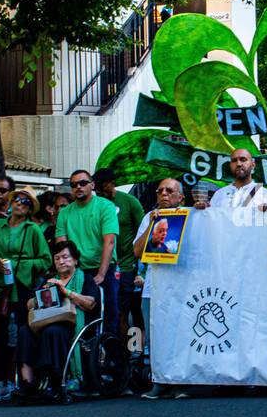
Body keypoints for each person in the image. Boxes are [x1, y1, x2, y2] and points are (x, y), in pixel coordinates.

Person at [0, 186, 51, 402]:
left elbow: (46, 260)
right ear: (11, 203)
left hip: (23, 287)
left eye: (25, 202)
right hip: (0, 286)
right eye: (17, 200)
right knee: (0, 337)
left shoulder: (33, 230)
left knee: (24, 333)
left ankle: (23, 379)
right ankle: (0, 381)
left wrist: (21, 266)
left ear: (30, 208)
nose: (20, 204)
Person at [16, 239, 98, 403]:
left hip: (73, 326)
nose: (61, 261)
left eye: (66, 257)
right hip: (46, 323)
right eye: (57, 258)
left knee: (52, 331)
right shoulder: (49, 281)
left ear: (75, 260)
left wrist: (66, 292)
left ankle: (52, 382)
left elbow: (91, 303)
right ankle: (28, 384)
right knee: (25, 331)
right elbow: (29, 304)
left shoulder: (86, 279)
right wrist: (43, 296)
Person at [135, 178, 189, 400]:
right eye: (160, 191)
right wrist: (151, 225)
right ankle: (158, 382)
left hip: (181, 286)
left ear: (180, 197)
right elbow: (137, 251)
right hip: (153, 288)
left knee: (180, 333)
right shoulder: (149, 217)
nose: (164, 194)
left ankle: (181, 383)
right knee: (155, 335)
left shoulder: (190, 214)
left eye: (170, 190)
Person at [56, 169, 121, 334]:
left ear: (92, 185)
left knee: (109, 315)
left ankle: (109, 356)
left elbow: (110, 241)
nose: (78, 187)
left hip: (103, 269)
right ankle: (83, 355)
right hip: (77, 271)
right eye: (74, 184)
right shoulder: (64, 212)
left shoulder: (105, 206)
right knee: (80, 317)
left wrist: (101, 274)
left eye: (83, 183)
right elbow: (61, 246)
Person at [95, 168, 145, 339]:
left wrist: (141, 270)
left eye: (103, 187)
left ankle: (134, 353)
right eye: (97, 190)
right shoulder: (96, 205)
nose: (100, 192)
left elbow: (144, 233)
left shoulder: (130, 202)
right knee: (110, 312)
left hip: (127, 266)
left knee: (130, 311)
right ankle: (112, 353)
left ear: (113, 183)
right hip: (104, 267)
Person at [196, 148, 267, 212]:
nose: (238, 164)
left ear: (253, 164)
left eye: (243, 159)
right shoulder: (219, 194)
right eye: (234, 161)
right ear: (230, 165)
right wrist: (202, 211)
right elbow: (211, 225)